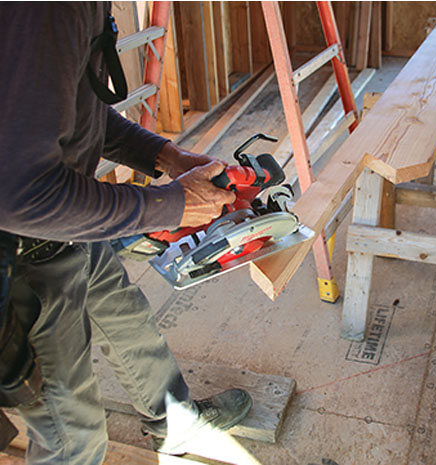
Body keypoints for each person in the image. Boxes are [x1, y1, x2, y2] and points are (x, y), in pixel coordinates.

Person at [1, 4, 253, 463]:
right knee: (70, 434)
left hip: (69, 224)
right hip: (24, 246)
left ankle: (175, 424)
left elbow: (81, 109)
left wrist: (166, 157)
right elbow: (21, 195)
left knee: (125, 319)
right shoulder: (45, 12)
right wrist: (173, 205)